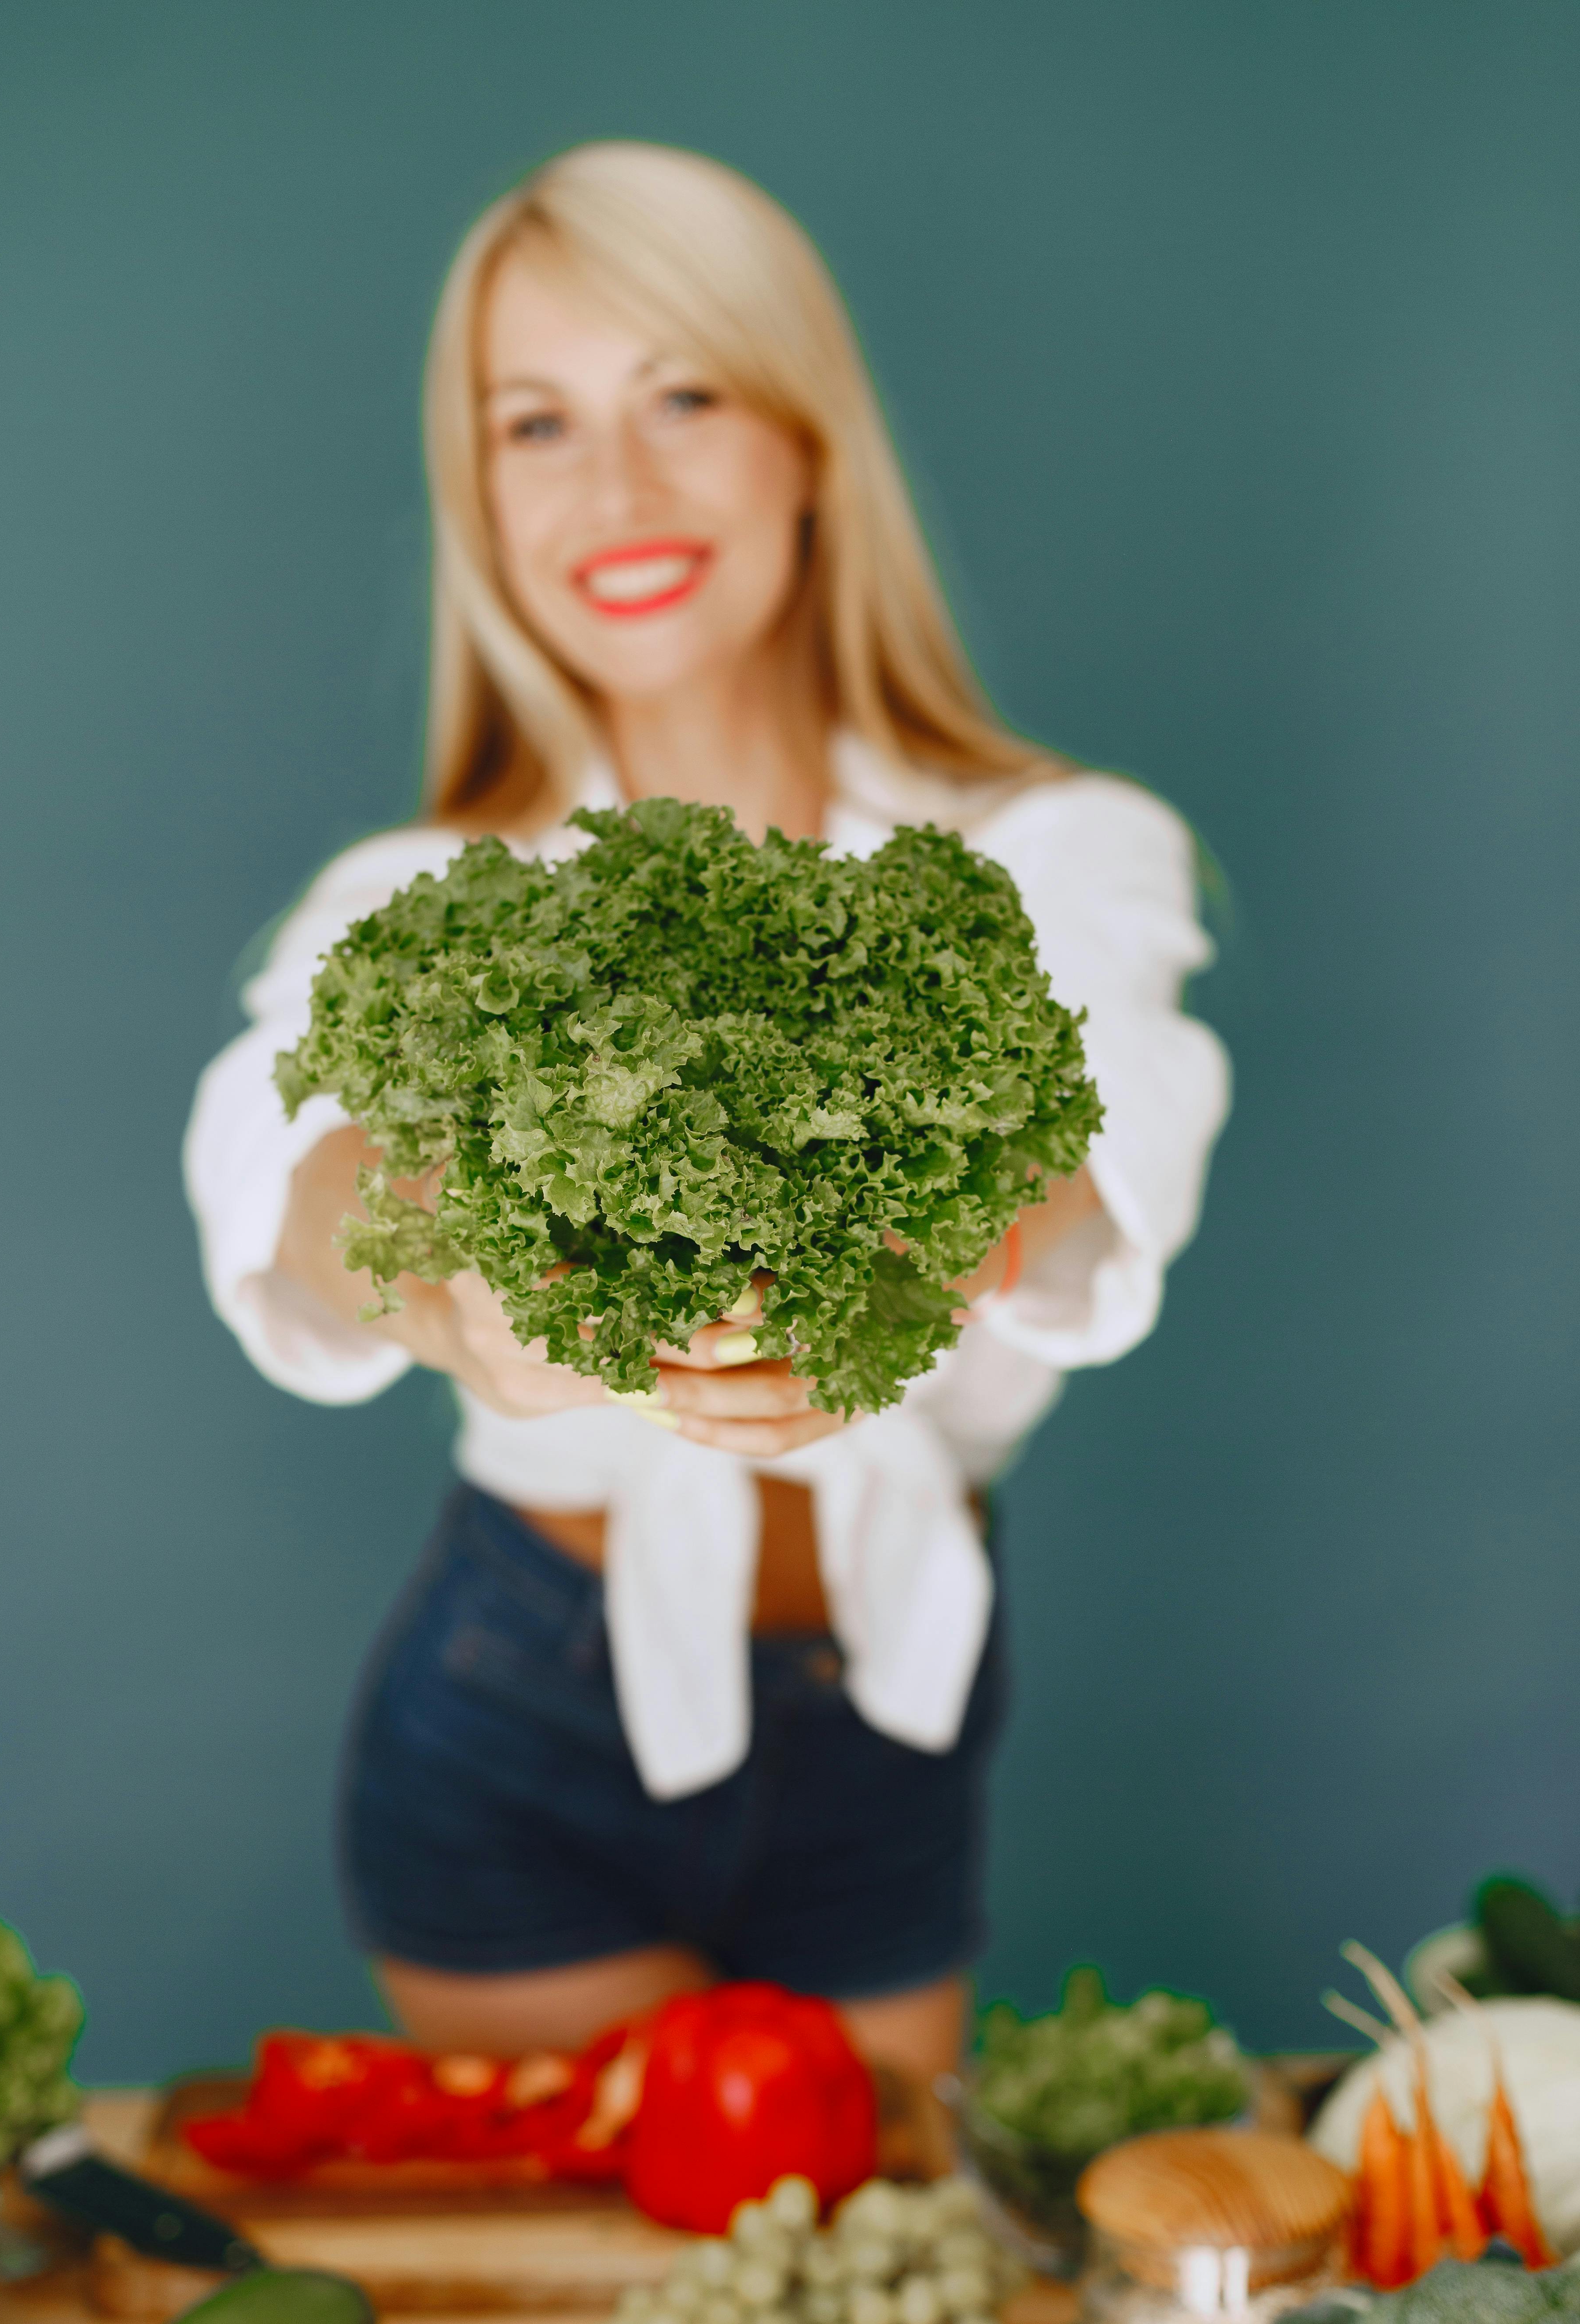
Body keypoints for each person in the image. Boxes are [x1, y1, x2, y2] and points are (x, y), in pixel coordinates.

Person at [184, 142, 1229, 2085]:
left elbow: (1113, 1142)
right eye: (539, 424)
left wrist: (914, 1255)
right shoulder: (431, 887)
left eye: (685, 396)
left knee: (856, 2308)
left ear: (809, 440)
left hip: (891, 1708)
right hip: (520, 1702)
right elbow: (273, 1146)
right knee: (602, 2322)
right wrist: (448, 1288)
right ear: (479, 494)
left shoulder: (1052, 849)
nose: (620, 489)